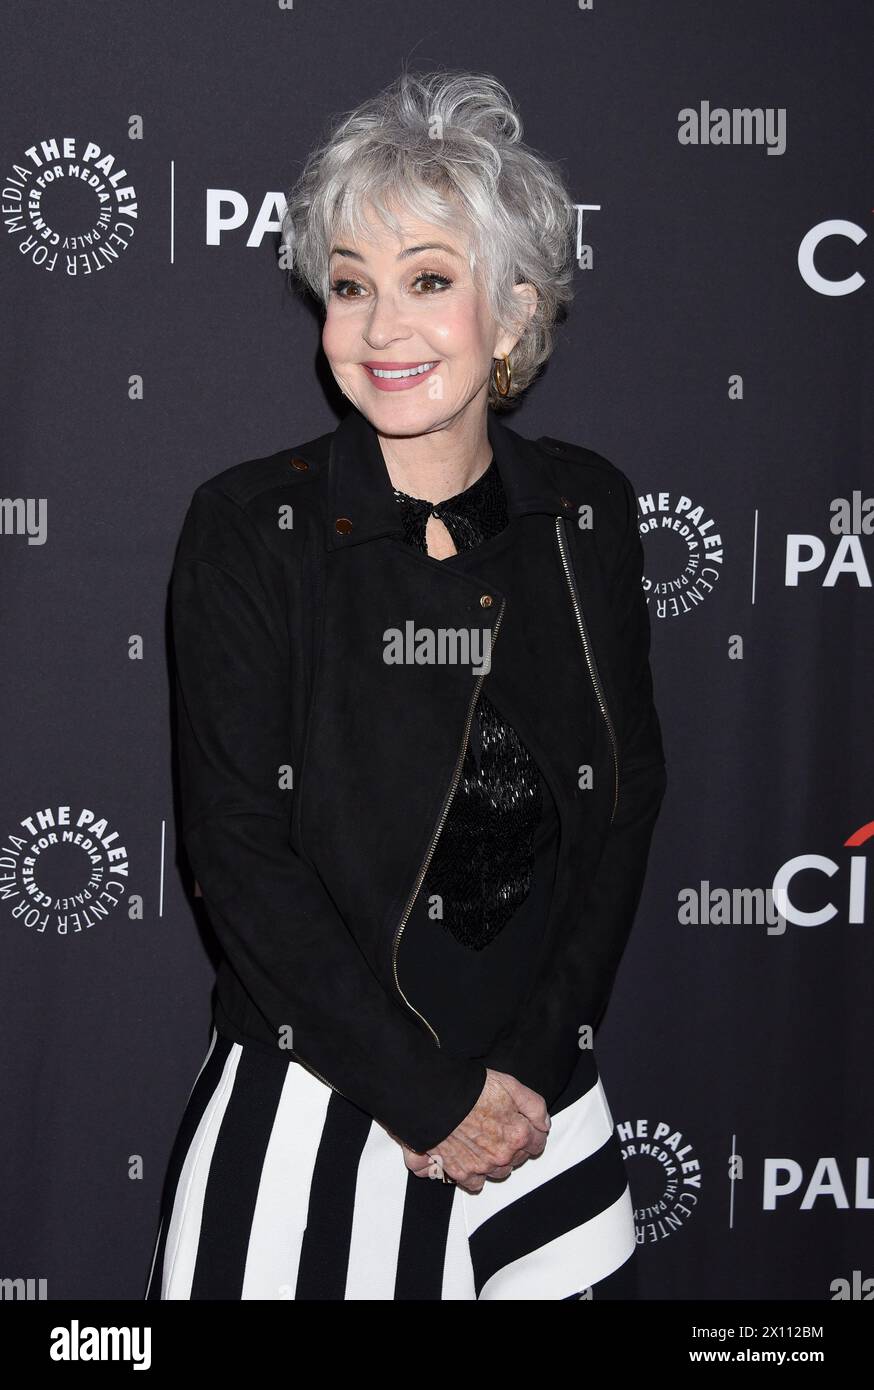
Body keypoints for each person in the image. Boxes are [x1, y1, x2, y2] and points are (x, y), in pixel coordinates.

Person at [145, 66, 667, 1301]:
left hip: (538, 1117)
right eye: (350, 287)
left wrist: (526, 1075)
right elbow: (237, 852)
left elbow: (626, 799)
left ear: (514, 312)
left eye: (429, 280)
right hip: (315, 1101)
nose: (380, 330)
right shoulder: (248, 527)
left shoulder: (583, 511)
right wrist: (427, 1094)